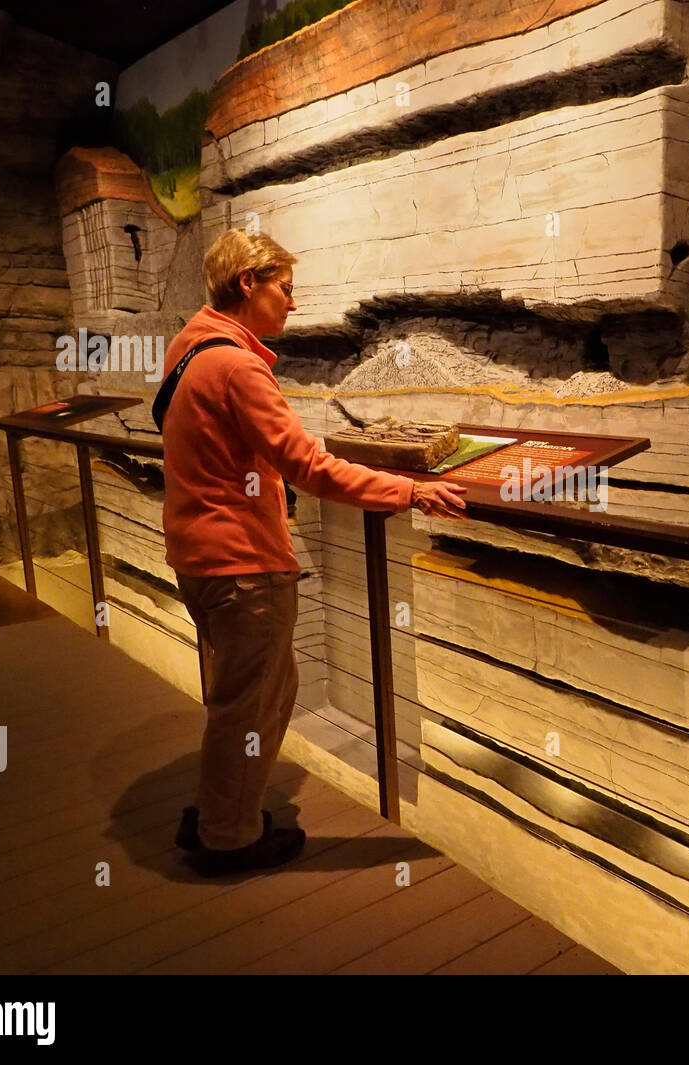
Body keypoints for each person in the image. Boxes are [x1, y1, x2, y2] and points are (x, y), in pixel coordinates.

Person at [160, 228, 467, 877]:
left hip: (198, 552)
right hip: (242, 561)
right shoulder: (237, 366)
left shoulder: (188, 349)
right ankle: (227, 836)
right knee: (253, 699)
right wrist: (409, 490)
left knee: (253, 692)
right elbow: (310, 467)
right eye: (286, 289)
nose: (292, 305)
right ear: (249, 283)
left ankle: (222, 811)